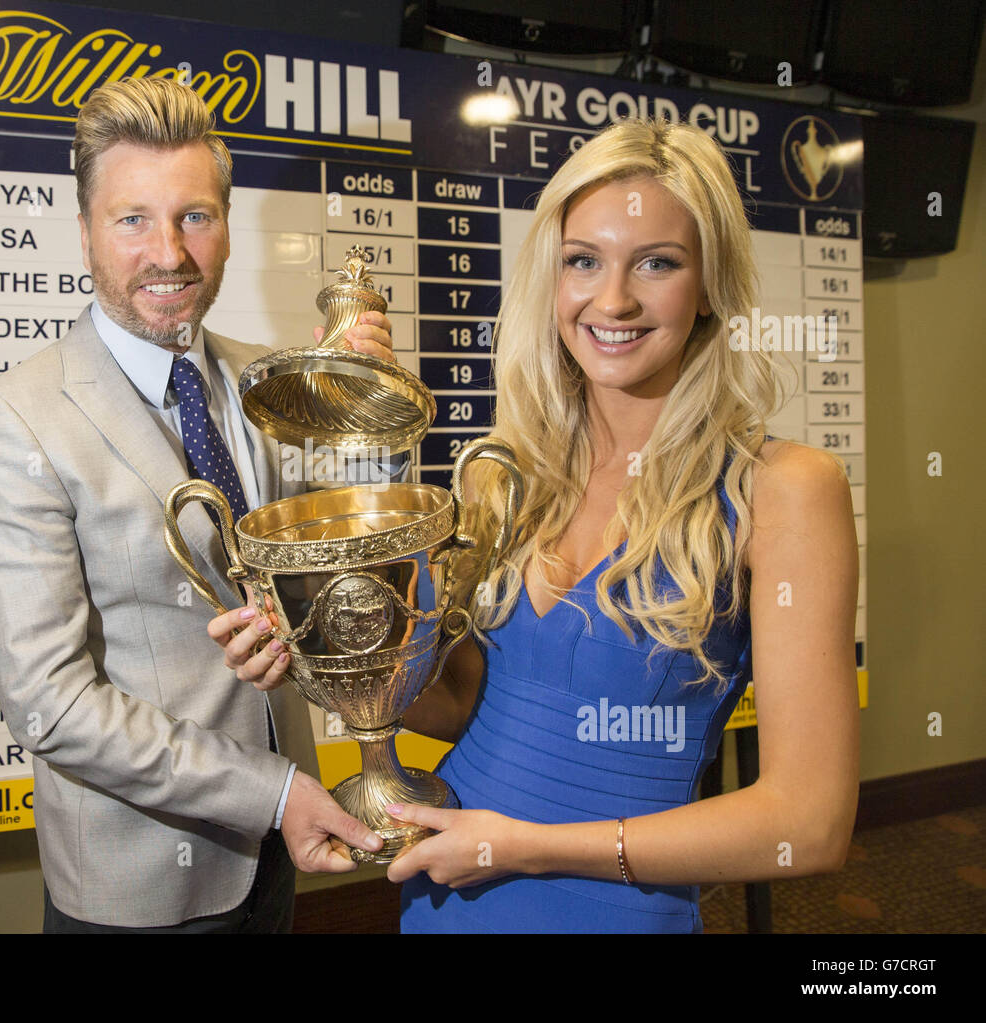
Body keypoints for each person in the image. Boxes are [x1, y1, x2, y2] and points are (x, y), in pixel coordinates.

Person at [235, 118, 860, 933]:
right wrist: (316, 652)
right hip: (445, 891)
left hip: (602, 906)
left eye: (658, 263)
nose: (614, 300)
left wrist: (526, 847)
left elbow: (806, 825)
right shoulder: (510, 473)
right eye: (584, 261)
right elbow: (458, 702)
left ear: (710, 285)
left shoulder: (785, 489)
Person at [0, 76, 398, 933]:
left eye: (195, 215)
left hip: (276, 857)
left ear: (227, 225)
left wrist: (355, 398)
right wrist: (273, 794)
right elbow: (51, 702)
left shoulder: (268, 382)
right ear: (84, 232)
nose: (170, 252)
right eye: (132, 220)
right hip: (141, 886)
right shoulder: (10, 420)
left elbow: (334, 567)